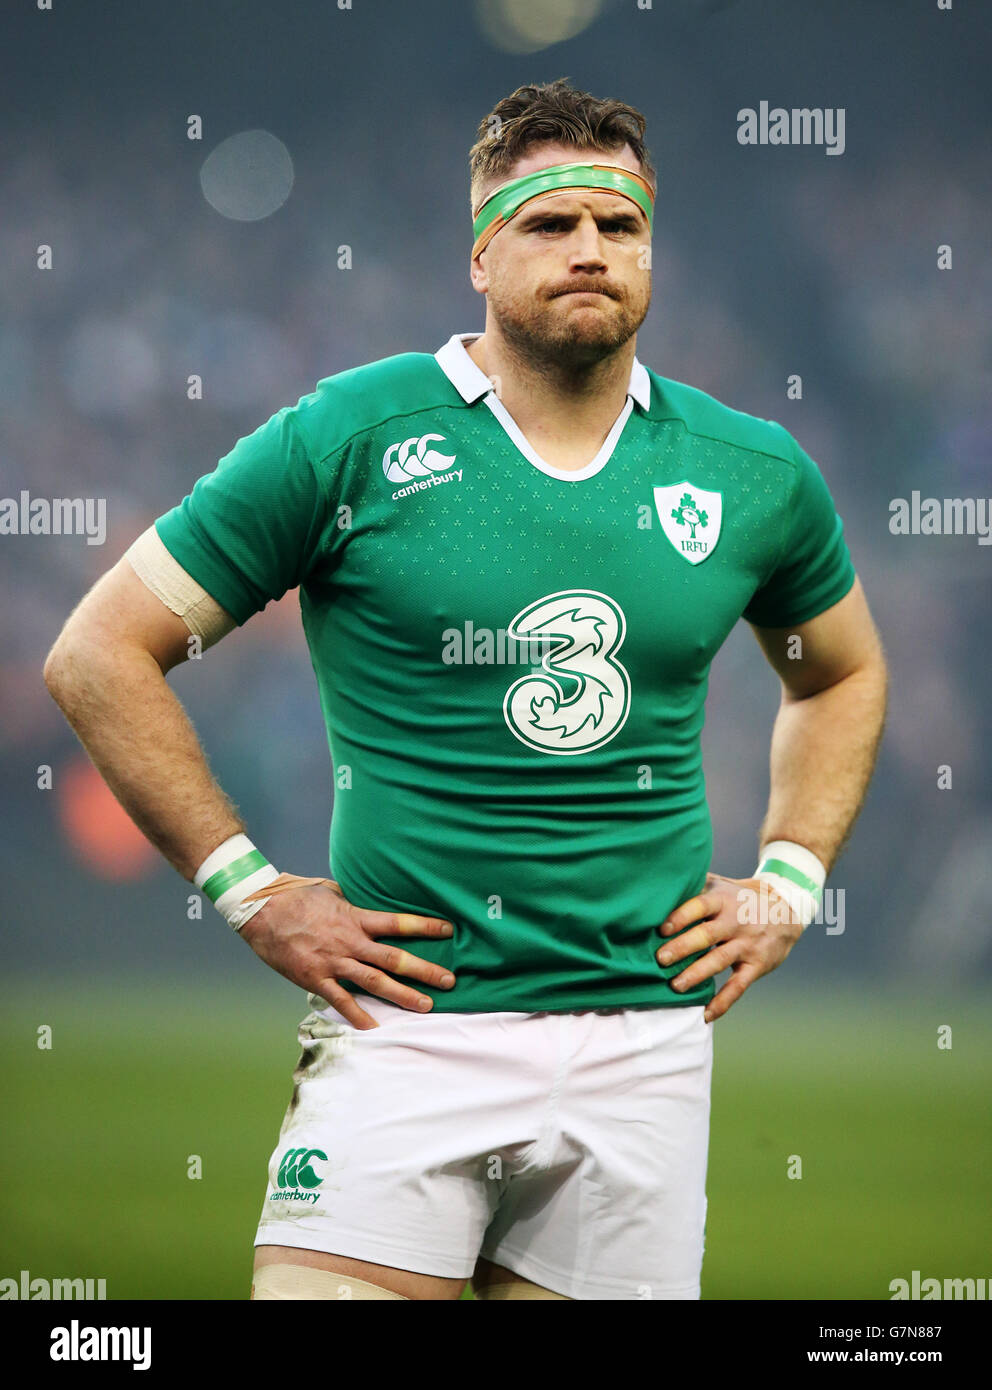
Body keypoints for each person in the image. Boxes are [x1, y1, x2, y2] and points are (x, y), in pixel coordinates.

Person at [43, 78, 888, 1301]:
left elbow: (842, 672)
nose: (590, 250)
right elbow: (97, 652)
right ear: (481, 255)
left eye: (620, 225)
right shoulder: (354, 436)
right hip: (409, 1032)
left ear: (652, 251)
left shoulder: (751, 470)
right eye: (551, 225)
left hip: (647, 1045)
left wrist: (790, 878)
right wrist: (251, 889)